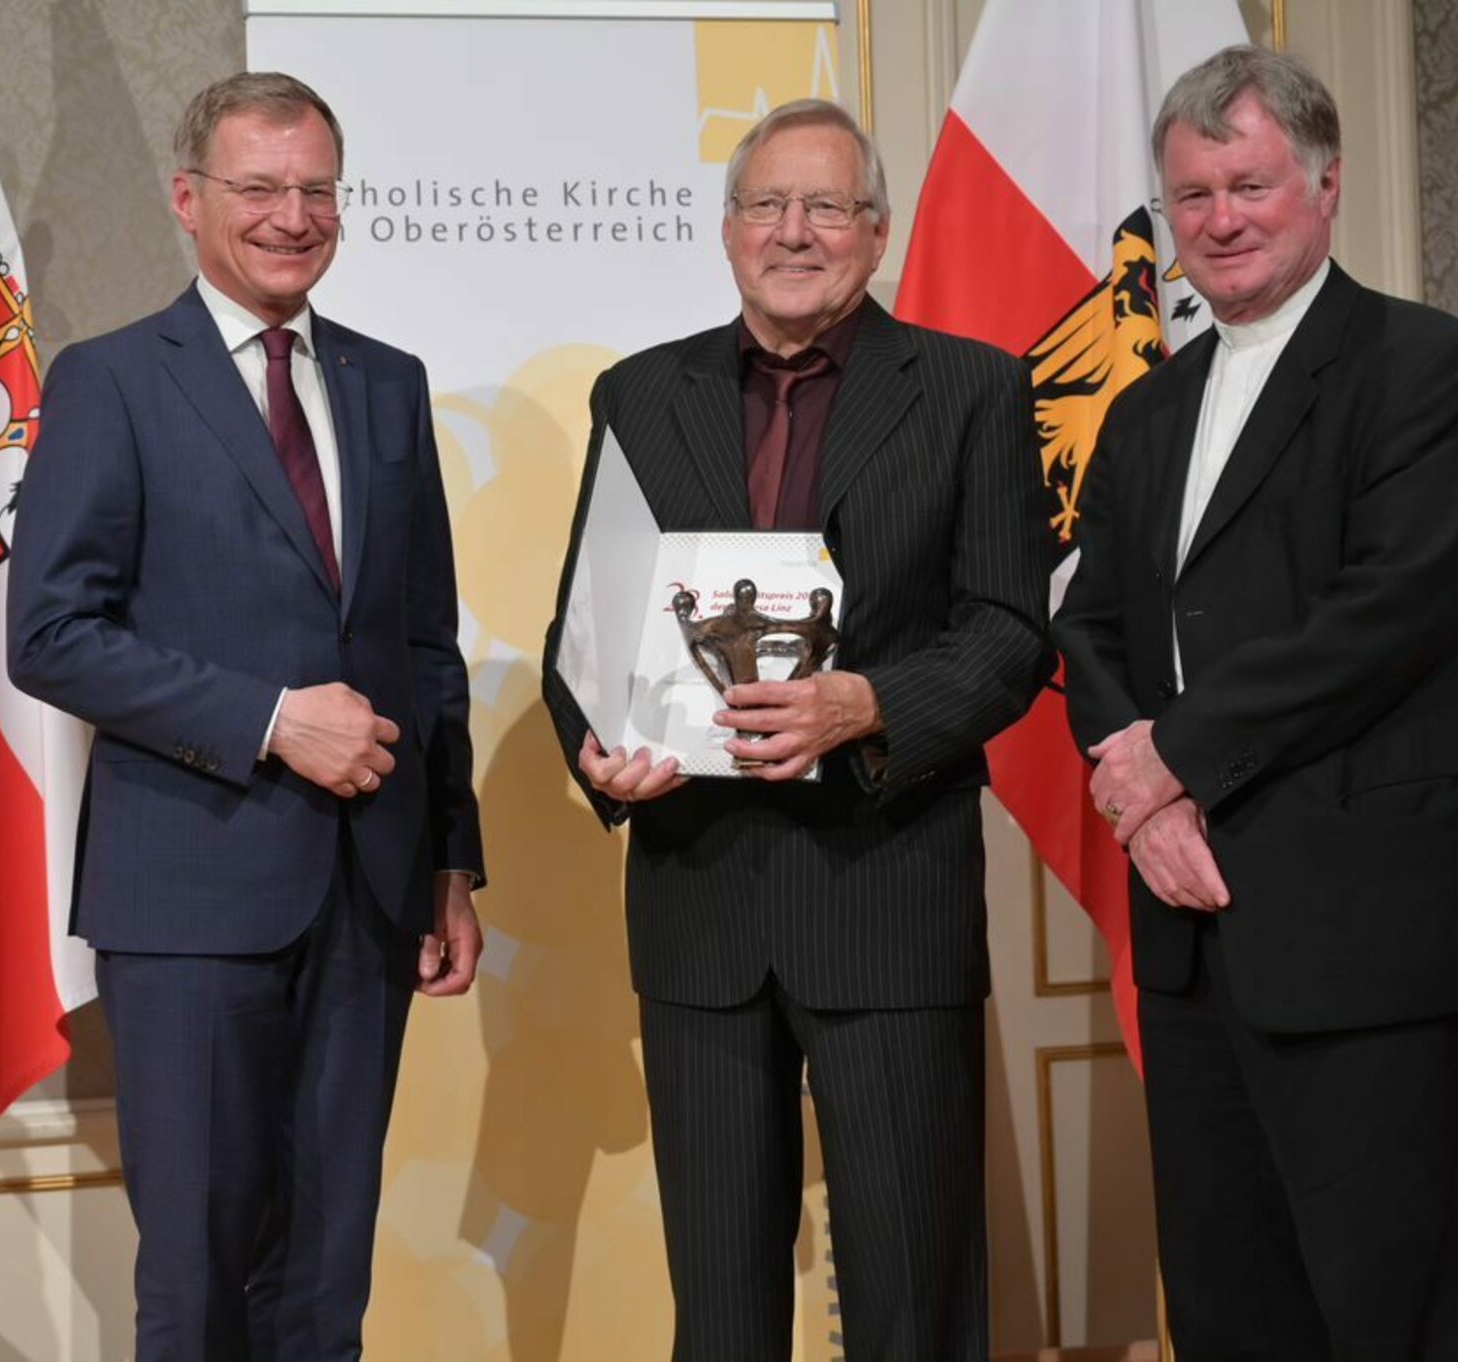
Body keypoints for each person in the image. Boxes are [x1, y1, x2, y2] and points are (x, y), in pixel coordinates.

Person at [542, 98, 1052, 1362]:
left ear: (874, 233)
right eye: (767, 204)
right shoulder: (637, 394)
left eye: (826, 206)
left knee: (911, 1300)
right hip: (697, 906)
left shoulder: (975, 391)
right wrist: (597, 749)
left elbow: (1006, 633)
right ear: (725, 230)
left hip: (884, 899)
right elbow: (586, 640)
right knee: (717, 1312)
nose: (793, 231)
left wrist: (866, 702)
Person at [7, 72, 484, 1362]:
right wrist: (271, 719)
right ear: (187, 200)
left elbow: (422, 640)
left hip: (371, 895)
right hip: (190, 898)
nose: (291, 215)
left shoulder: (389, 384)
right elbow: (50, 637)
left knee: (327, 1280)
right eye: (259, 187)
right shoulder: (109, 382)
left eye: (315, 188)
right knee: (204, 1276)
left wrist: (448, 856)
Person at [1052, 46, 1458, 1362]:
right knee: (1229, 1309)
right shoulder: (1145, 413)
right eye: (1192, 197)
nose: (1221, 219)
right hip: (1192, 940)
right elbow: (1089, 624)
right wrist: (1142, 808)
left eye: (1248, 184)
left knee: (1389, 1314)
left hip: (1361, 937)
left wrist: (1170, 762)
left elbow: (1388, 612)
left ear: (1325, 183)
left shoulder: (1428, 368)